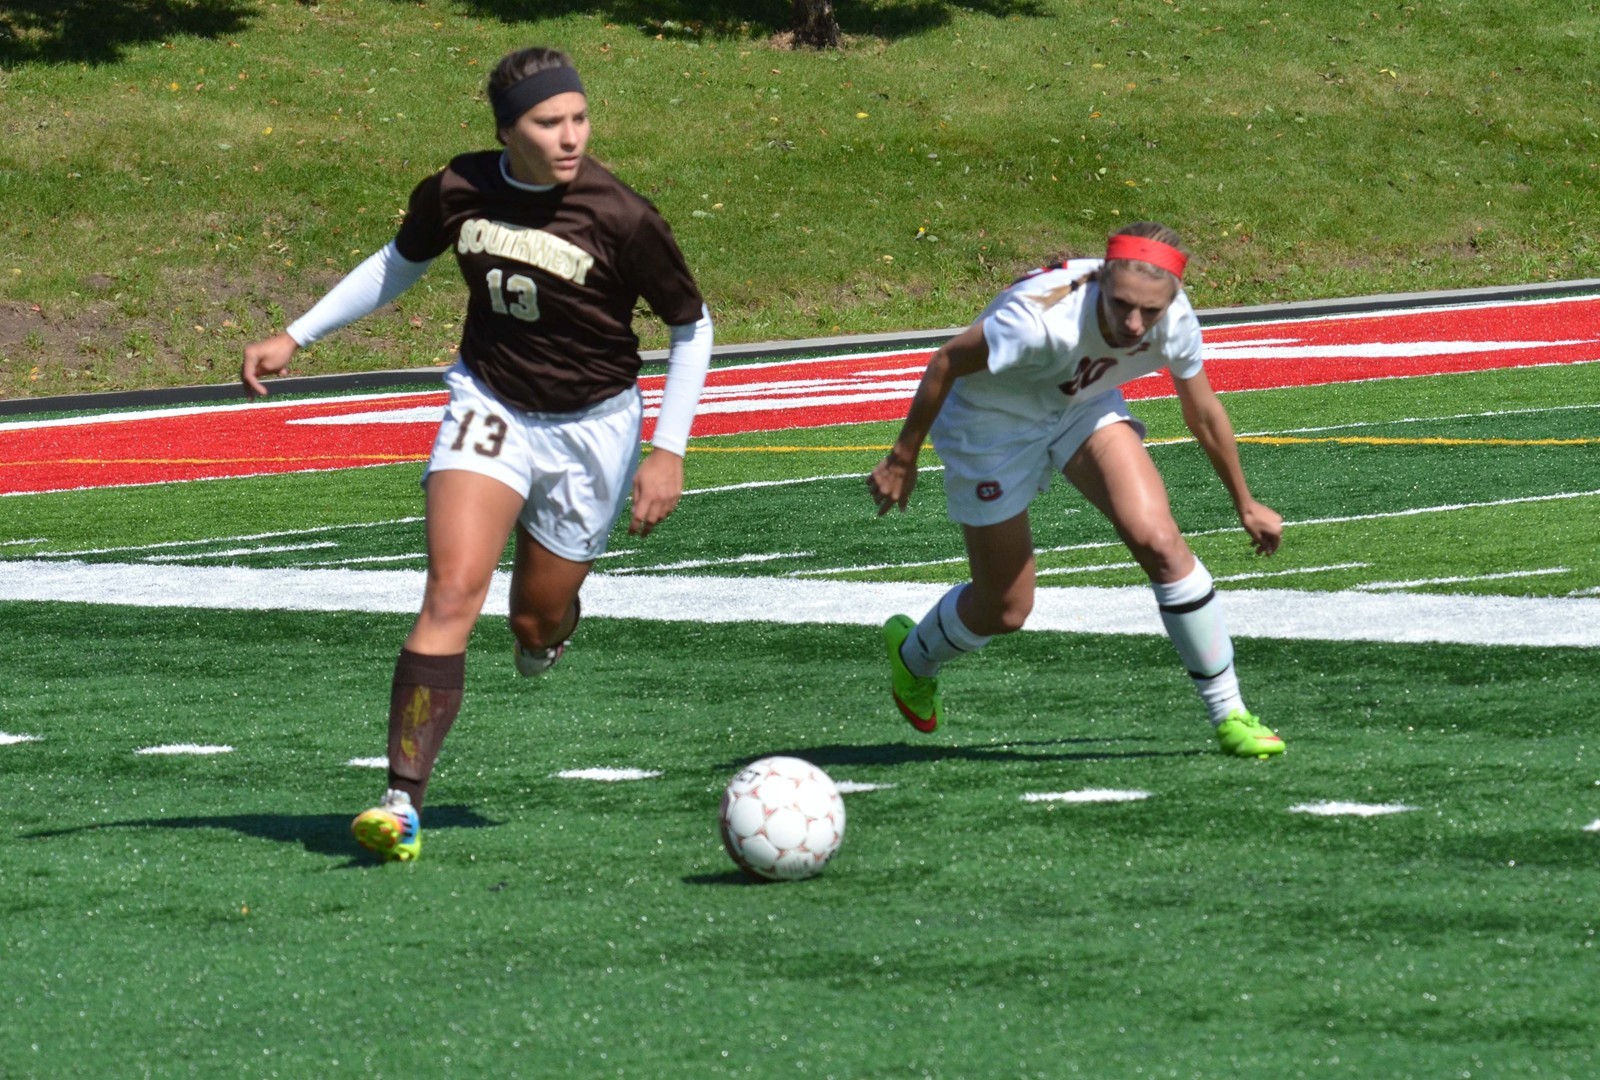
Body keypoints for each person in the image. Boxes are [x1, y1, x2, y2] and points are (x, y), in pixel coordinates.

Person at [240, 46, 713, 861]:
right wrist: (296, 334)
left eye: (579, 118)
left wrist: (667, 449)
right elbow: (399, 263)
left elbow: (691, 325)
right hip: (488, 403)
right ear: (507, 130)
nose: (570, 137)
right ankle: (401, 799)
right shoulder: (459, 187)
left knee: (532, 619)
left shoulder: (622, 215)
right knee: (452, 590)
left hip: (594, 428)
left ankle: (548, 633)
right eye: (547, 122)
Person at [867, 222, 1285, 759]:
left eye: (1150, 311)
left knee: (1158, 539)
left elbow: (1202, 411)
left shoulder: (1173, 319)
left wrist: (1244, 502)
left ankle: (1230, 712)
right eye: (1122, 304)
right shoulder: (1040, 320)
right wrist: (903, 457)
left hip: (1082, 405)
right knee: (1005, 609)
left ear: (1173, 299)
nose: (1134, 324)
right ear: (1101, 281)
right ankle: (915, 656)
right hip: (990, 424)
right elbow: (947, 361)